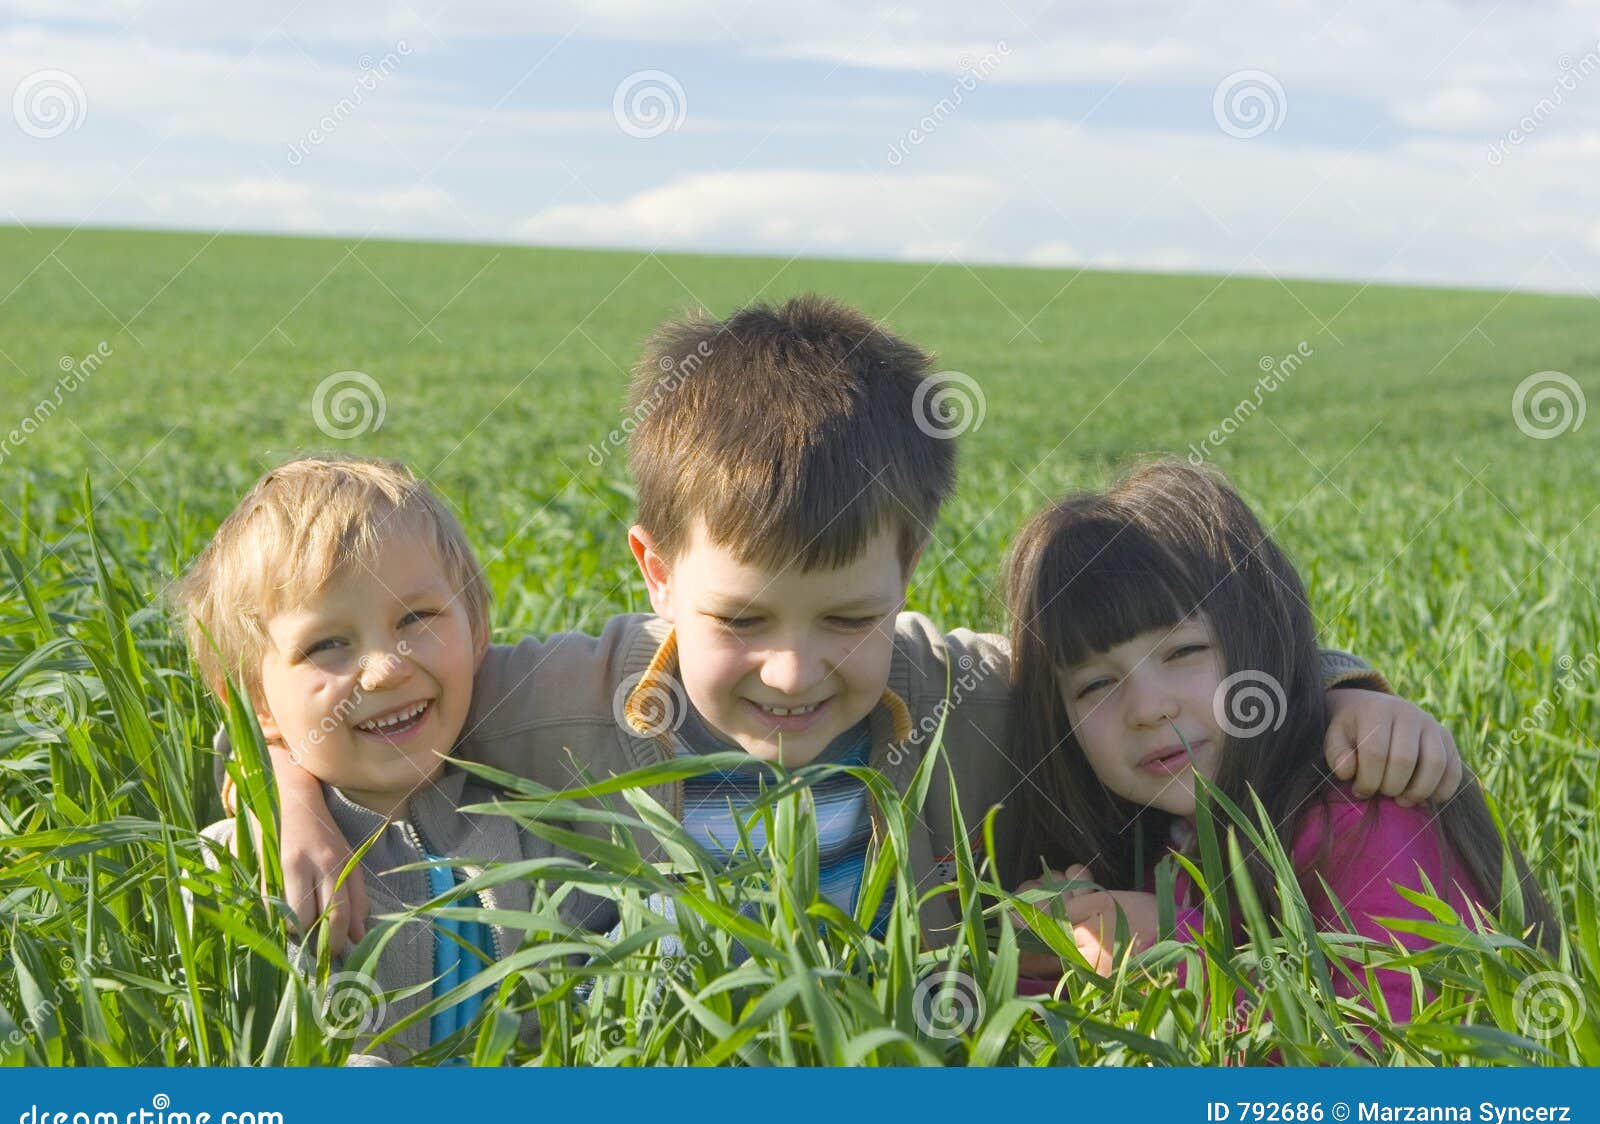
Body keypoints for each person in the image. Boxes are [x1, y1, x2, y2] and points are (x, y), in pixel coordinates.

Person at [254, 297, 1468, 956]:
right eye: (741, 618)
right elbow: (352, 697)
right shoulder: (565, 696)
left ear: (909, 572)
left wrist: (1349, 690)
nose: (793, 669)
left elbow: (1150, 672)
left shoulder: (964, 693)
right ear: (656, 573)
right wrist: (288, 787)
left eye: (847, 616)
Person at [1003, 459, 1557, 1018]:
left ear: (1264, 639)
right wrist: (1039, 951)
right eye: (1096, 684)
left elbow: (1387, 1073)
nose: (1147, 709)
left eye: (1183, 651)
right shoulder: (1169, 845)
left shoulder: (1363, 822)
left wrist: (1167, 957)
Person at [176, 454, 606, 1062]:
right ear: (257, 703)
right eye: (327, 645)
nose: (386, 669)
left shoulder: (540, 822)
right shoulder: (247, 865)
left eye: (417, 618)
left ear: (476, 627)